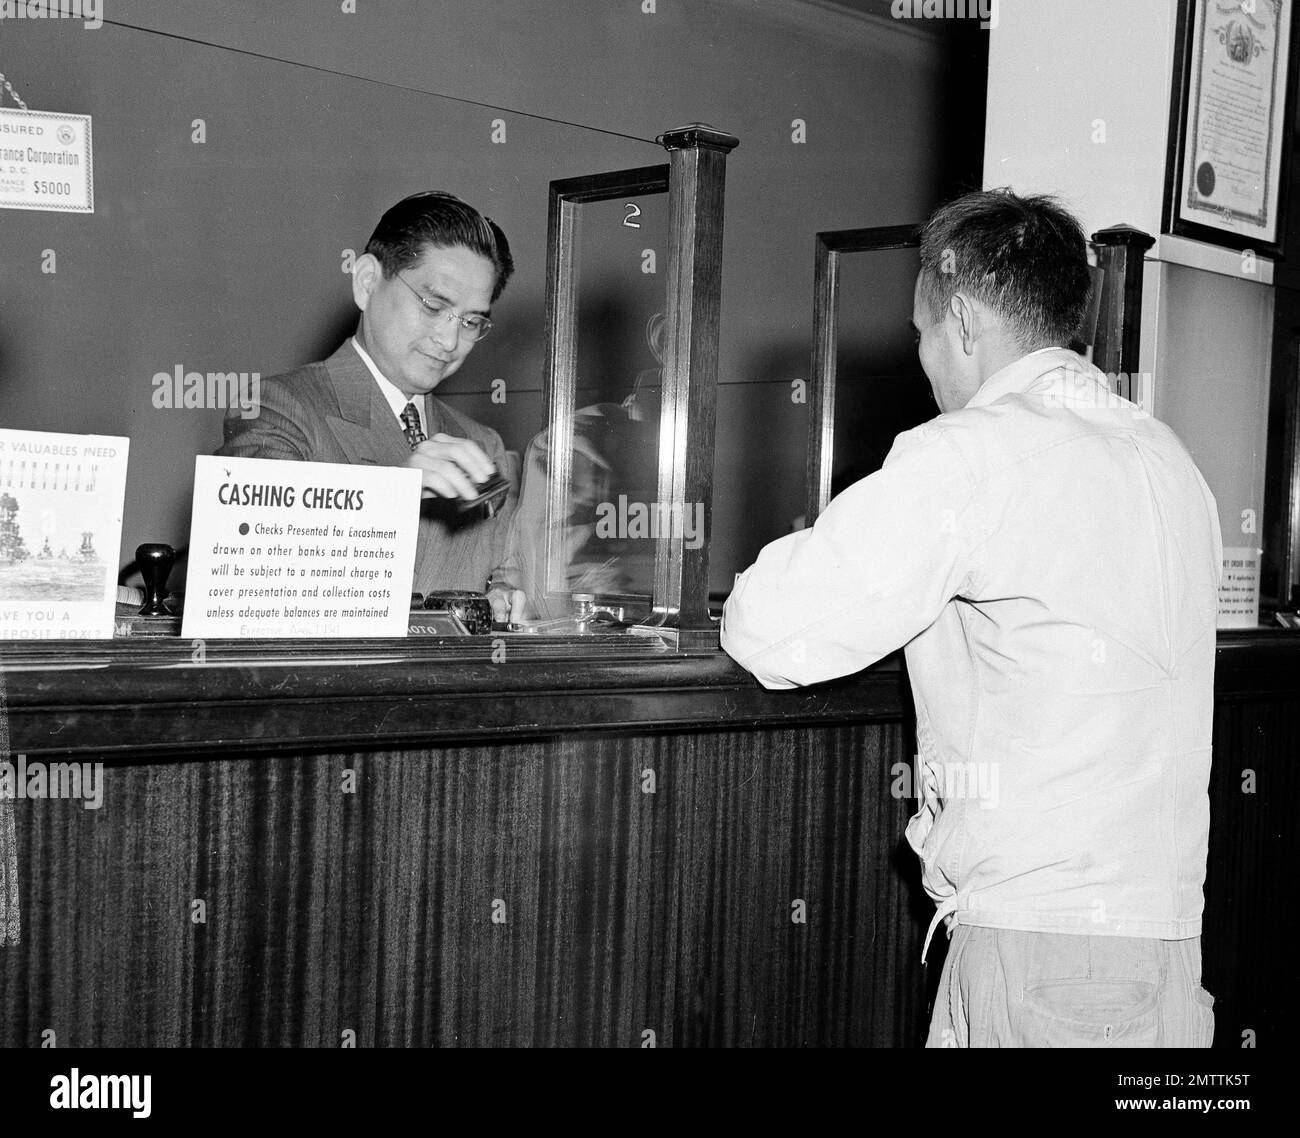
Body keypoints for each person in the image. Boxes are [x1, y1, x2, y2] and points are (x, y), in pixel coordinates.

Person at [721, 190, 1222, 1048]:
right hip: (1162, 944)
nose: (922, 360)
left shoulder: (974, 452)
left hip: (1042, 954)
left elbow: (771, 631)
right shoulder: (1166, 455)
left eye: (920, 333)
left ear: (959, 319)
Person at [219, 191, 525, 622]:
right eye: (434, 306)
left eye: (472, 321)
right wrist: (392, 495)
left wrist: (506, 595)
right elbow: (253, 579)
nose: (450, 340)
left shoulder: (483, 444)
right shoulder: (277, 408)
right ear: (366, 282)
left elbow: (506, 577)